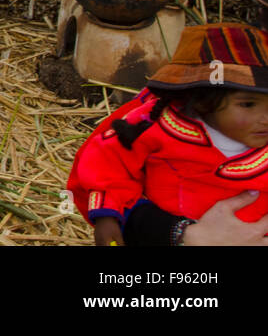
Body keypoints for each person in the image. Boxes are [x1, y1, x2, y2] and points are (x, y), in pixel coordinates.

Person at [69, 22, 268, 246]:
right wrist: (108, 216)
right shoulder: (154, 126)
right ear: (202, 102)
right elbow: (108, 164)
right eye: (248, 104)